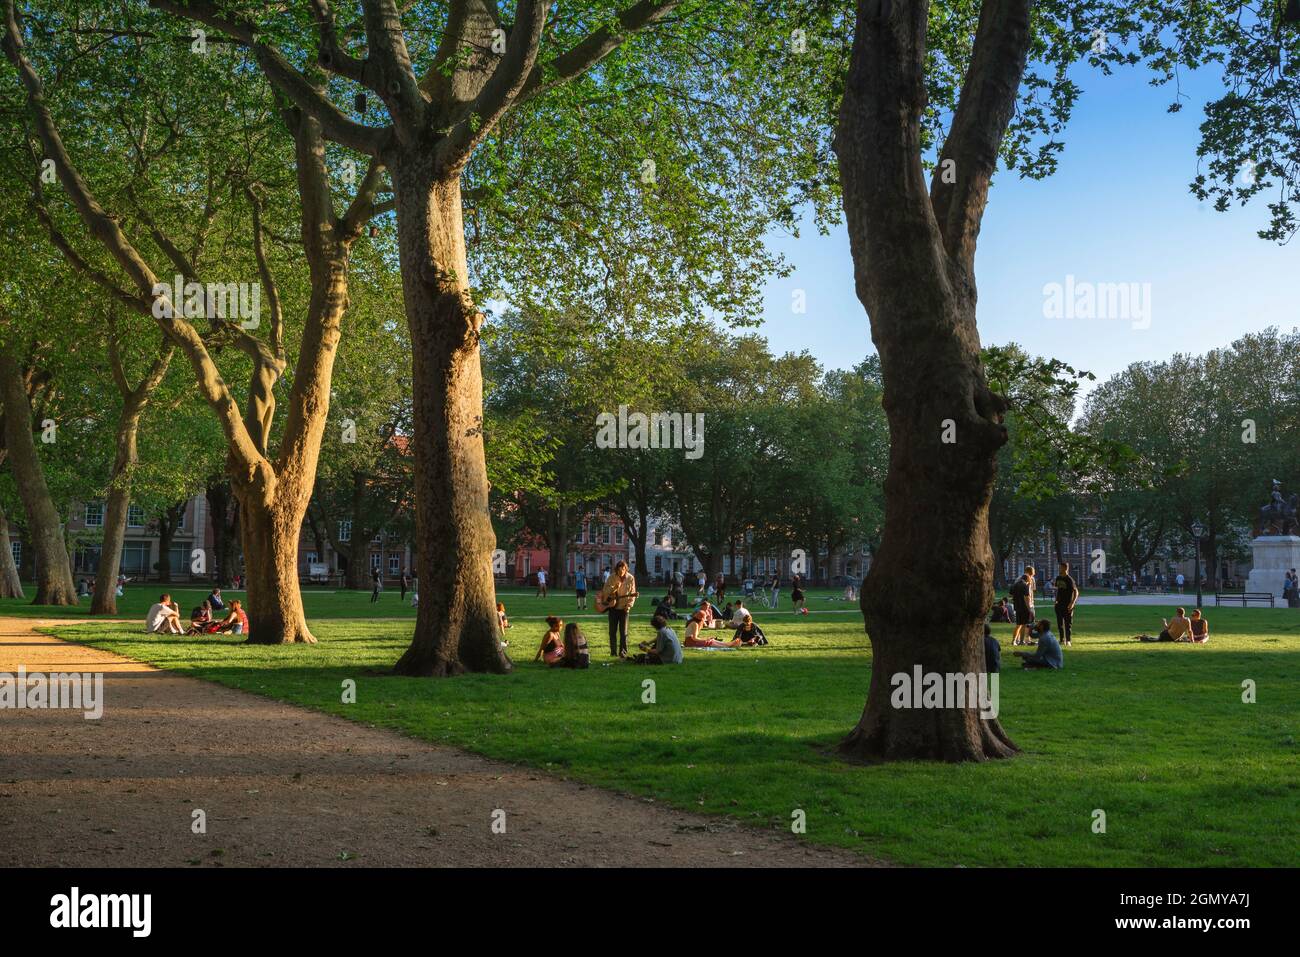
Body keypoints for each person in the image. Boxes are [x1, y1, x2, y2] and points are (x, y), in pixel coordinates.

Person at [598, 559, 637, 657]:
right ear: (616, 570)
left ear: (625, 569)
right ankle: (613, 652)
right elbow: (605, 591)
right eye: (619, 571)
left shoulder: (631, 578)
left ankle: (623, 652)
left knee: (623, 633)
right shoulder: (611, 577)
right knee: (612, 632)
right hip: (613, 608)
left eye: (623, 570)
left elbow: (633, 594)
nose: (621, 572)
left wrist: (629, 606)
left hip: (624, 609)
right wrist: (614, 588)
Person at [1052, 561, 1078, 647]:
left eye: (1060, 567)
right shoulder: (1058, 578)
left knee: (1068, 623)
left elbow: (1076, 592)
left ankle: (1068, 640)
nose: (1059, 569)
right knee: (1059, 623)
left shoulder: (1069, 579)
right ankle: (1061, 640)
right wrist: (1056, 600)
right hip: (1059, 604)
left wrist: (1072, 603)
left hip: (1067, 604)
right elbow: (1058, 589)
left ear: (1065, 568)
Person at [1009, 571, 1034, 645]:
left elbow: (1010, 595)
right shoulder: (1024, 585)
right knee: (1023, 624)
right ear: (1027, 580)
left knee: (1018, 624)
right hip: (1024, 607)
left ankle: (1014, 640)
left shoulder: (1014, 585)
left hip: (1017, 606)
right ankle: (1021, 641)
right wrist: (1029, 608)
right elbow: (1027, 598)